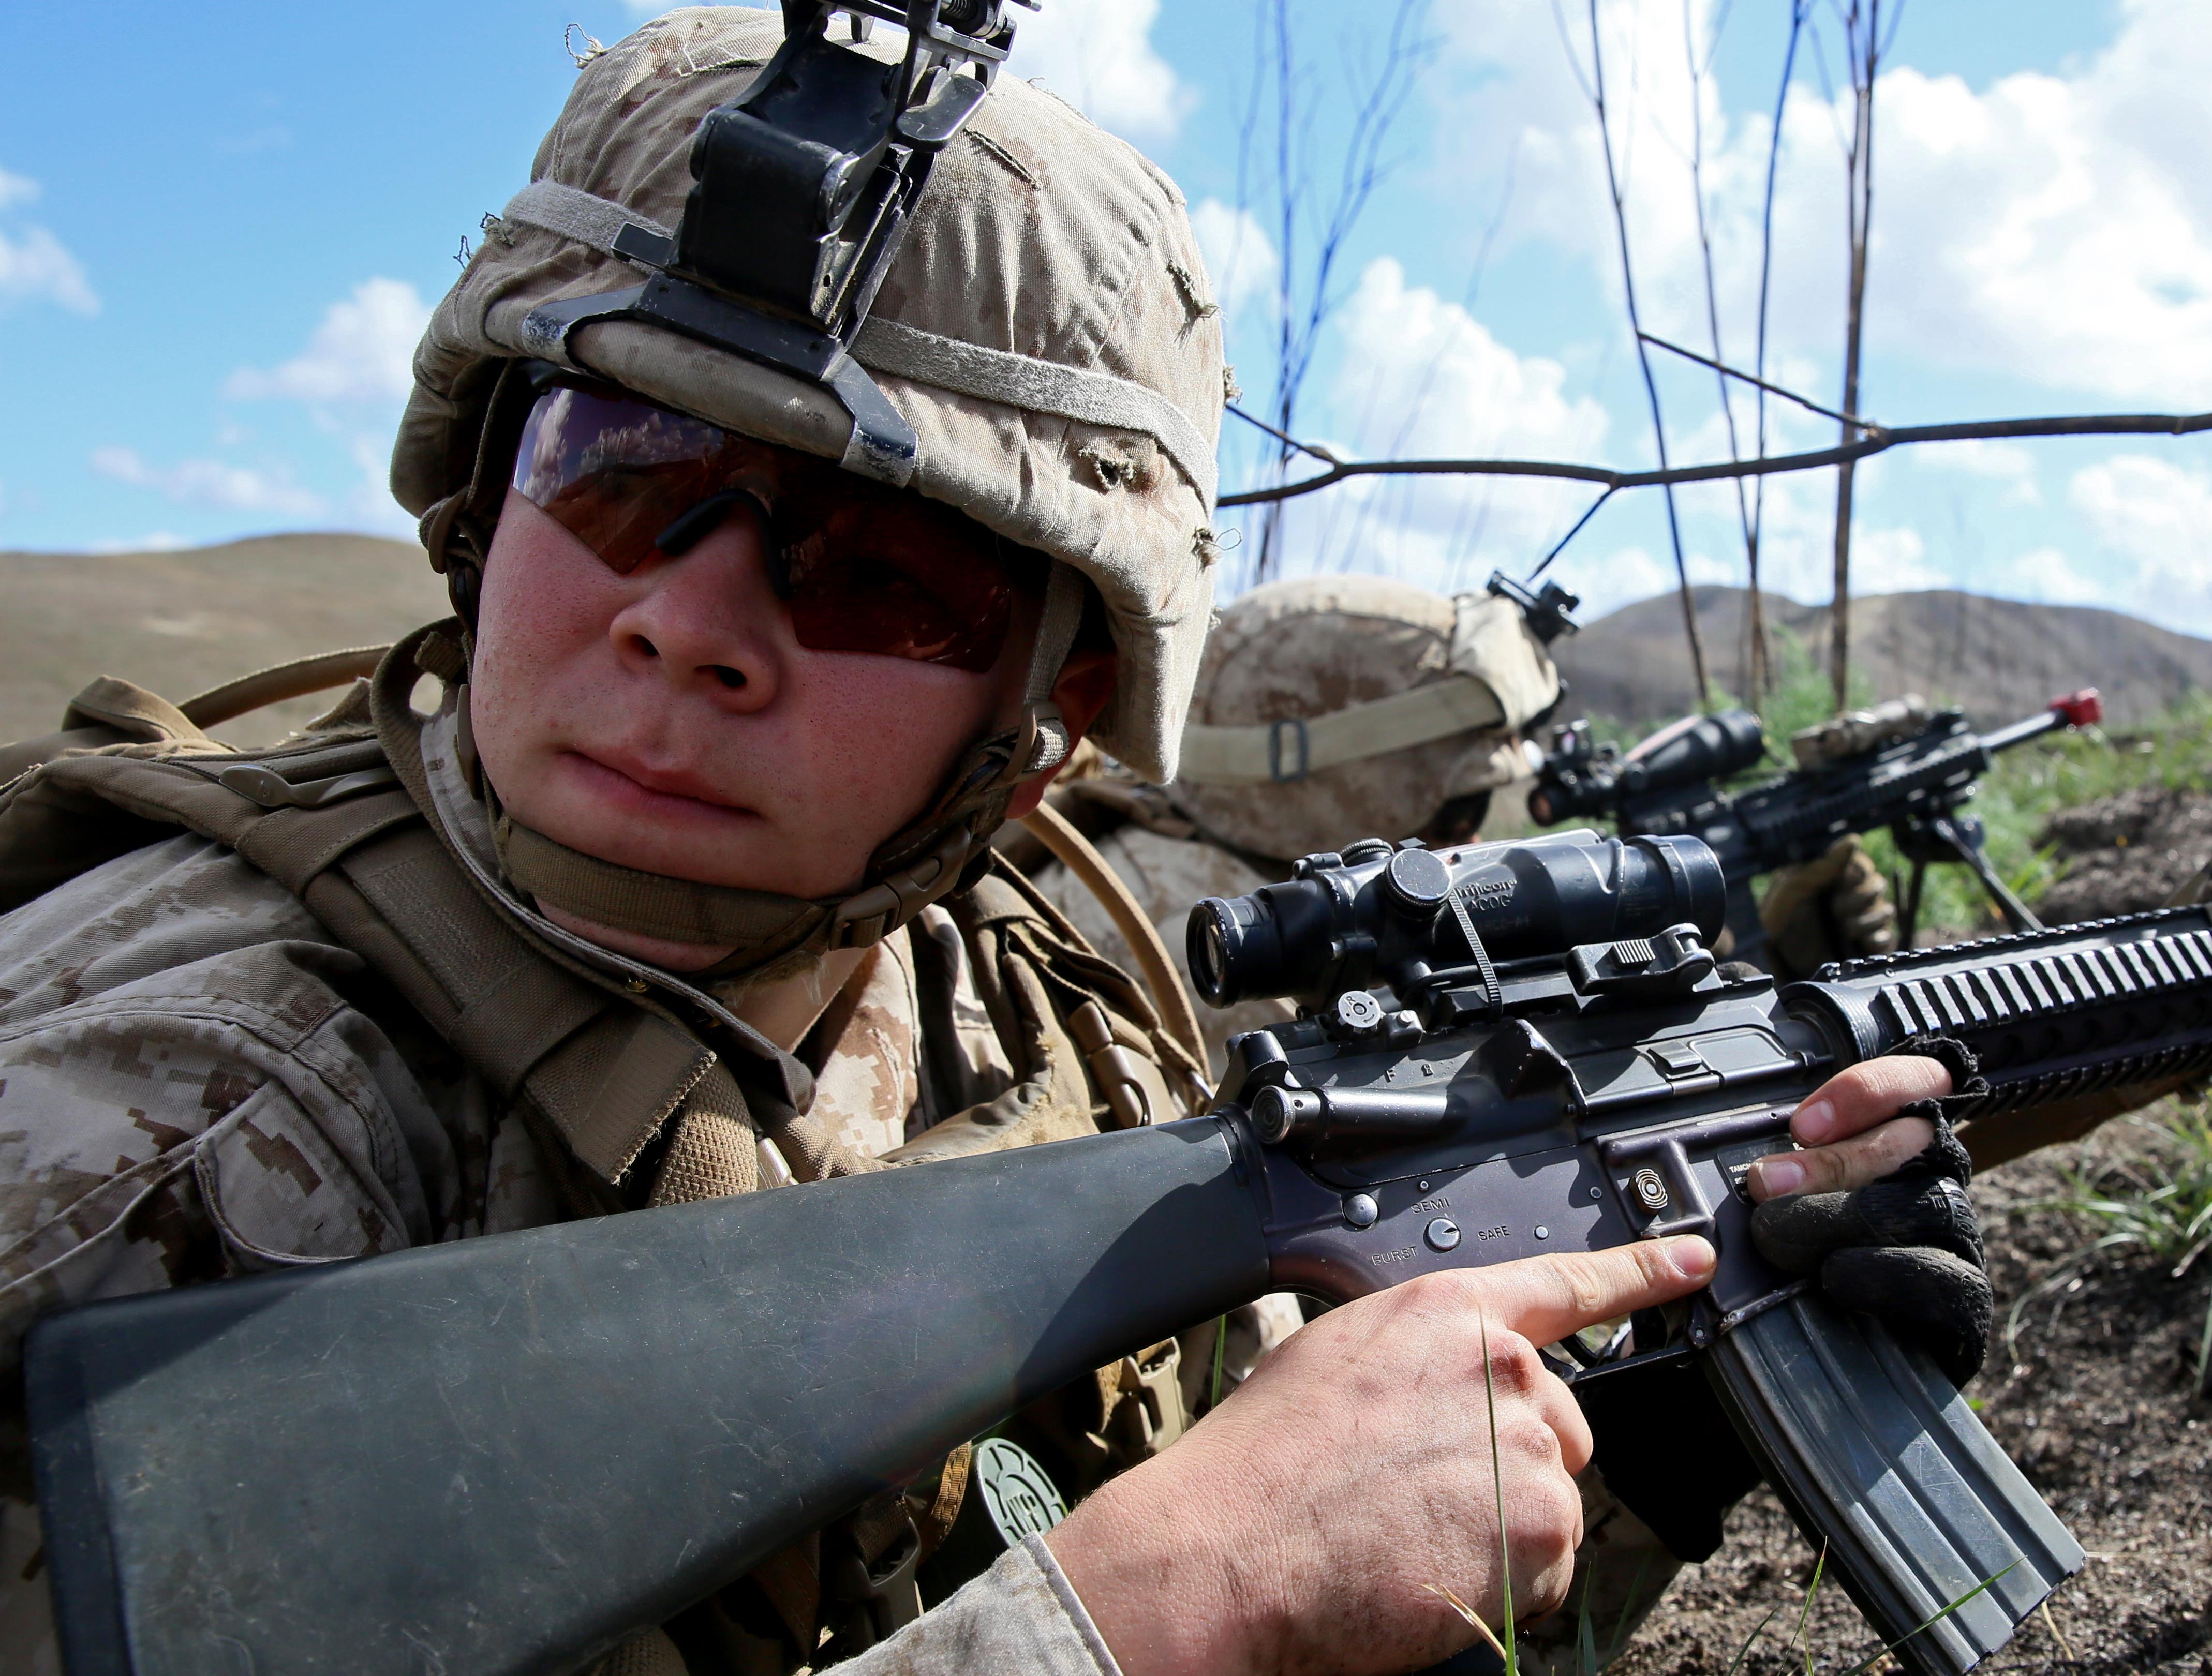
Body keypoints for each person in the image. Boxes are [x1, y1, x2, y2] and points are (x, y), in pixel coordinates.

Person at [0, 10, 1974, 1675]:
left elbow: (1338, 1582)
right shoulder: (154, 1160)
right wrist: (1128, 1621)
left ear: (1049, 717)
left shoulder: (1039, 1013)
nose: (689, 620)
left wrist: (1646, 1454)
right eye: (619, 474)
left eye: (883, 570)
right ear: (478, 488)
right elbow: (1201, 1587)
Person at [1025, 573, 1905, 1074]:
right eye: (1454, 804)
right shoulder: (1179, 920)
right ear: (1345, 785)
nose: (1472, 838)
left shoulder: (1217, 872)